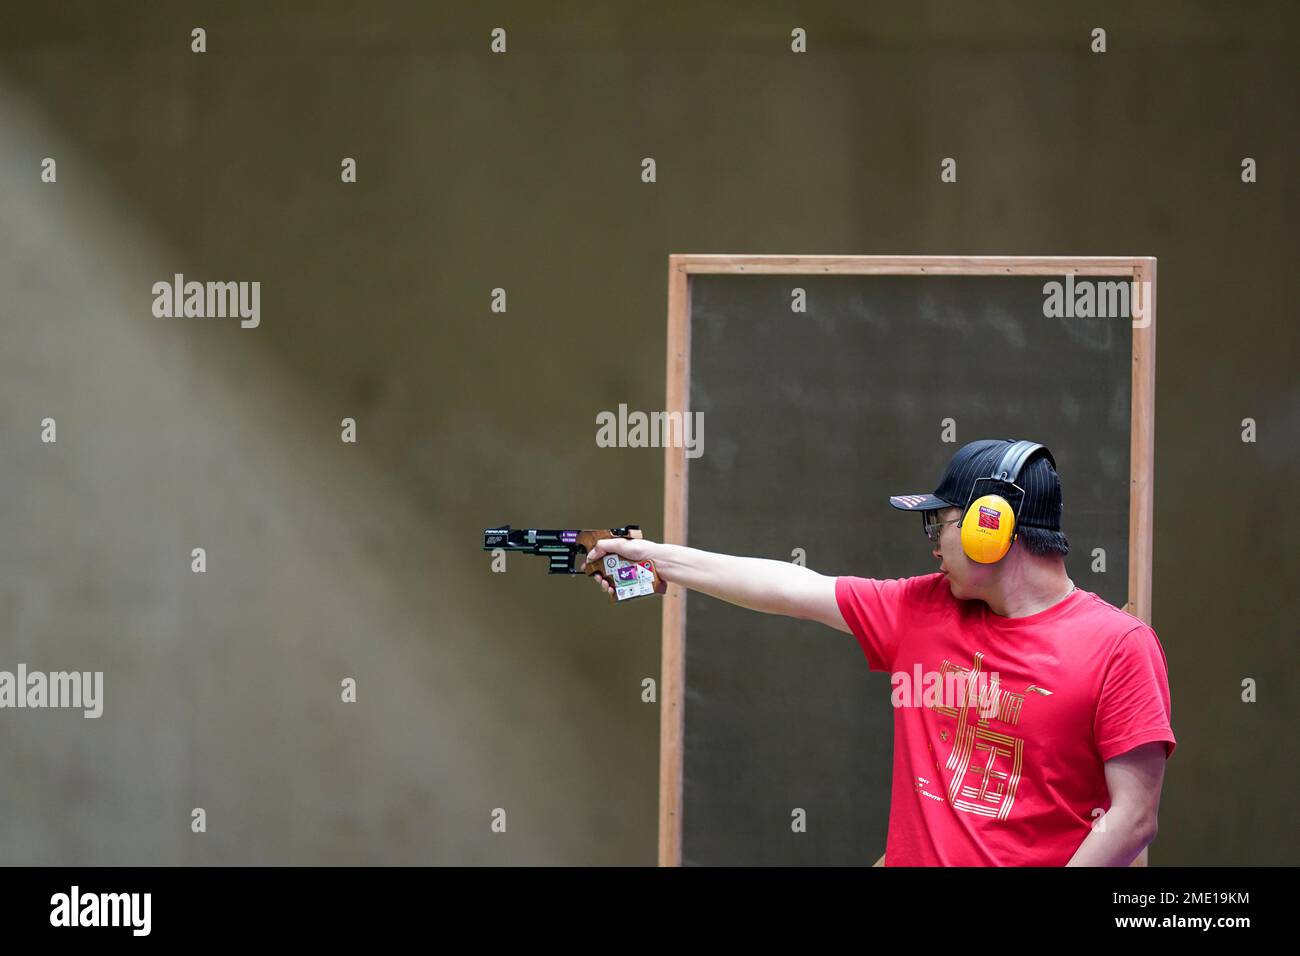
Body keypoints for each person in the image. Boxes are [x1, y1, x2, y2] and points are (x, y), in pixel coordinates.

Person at [585, 438, 1175, 866]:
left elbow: (1133, 818)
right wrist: (655, 558)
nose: (932, 547)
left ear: (988, 527)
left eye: (937, 523)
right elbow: (792, 588)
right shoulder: (922, 607)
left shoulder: (1119, 646)